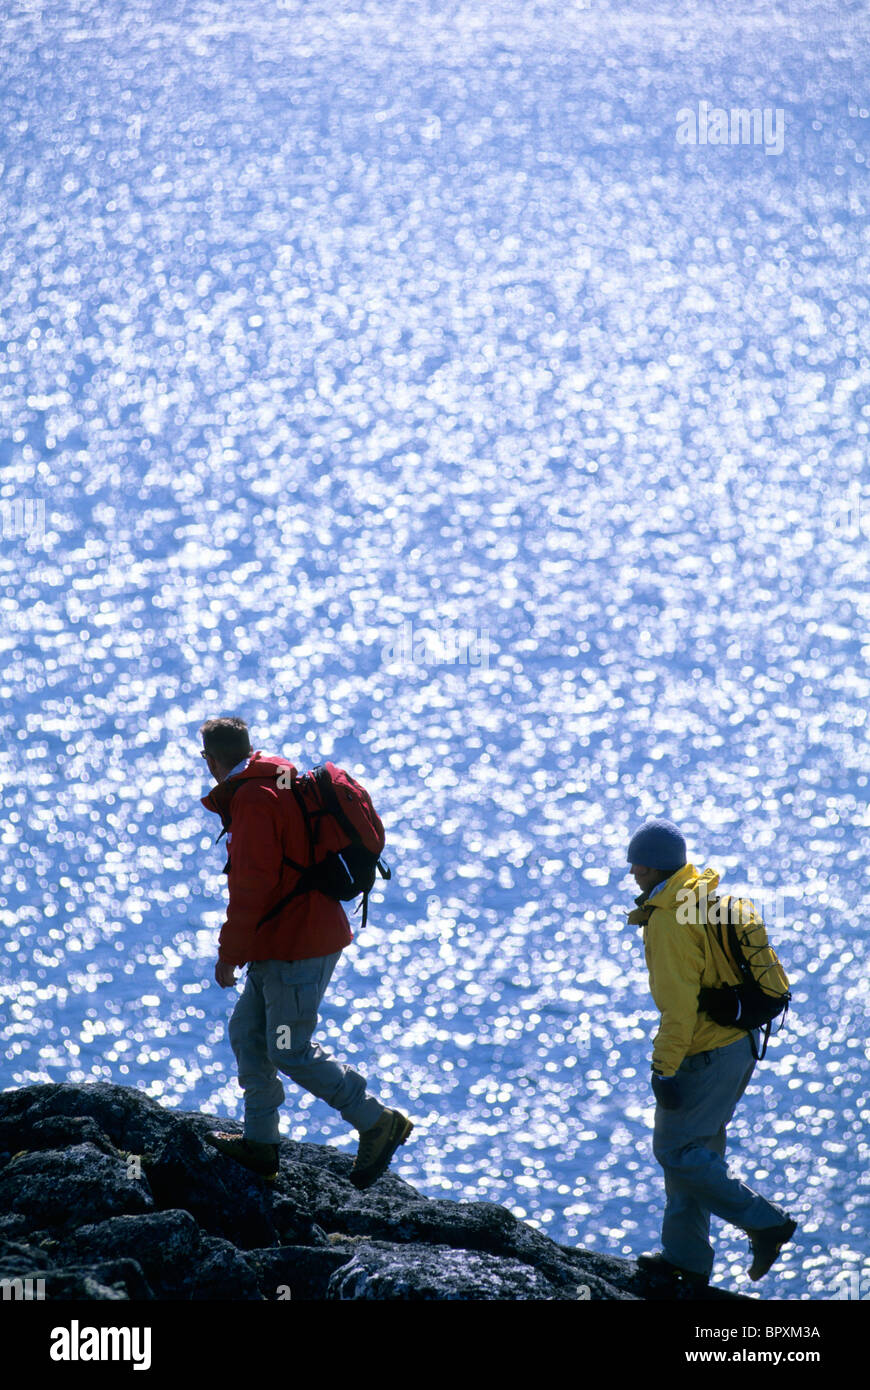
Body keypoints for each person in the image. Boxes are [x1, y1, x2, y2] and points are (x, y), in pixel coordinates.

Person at [198, 716, 412, 1189]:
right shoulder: (277, 776)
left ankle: (376, 1121)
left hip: (295, 942)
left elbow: (251, 888)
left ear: (210, 759)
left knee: (287, 1049)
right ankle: (260, 1142)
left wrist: (227, 954)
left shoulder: (254, 799)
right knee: (250, 1034)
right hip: (294, 936)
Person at [625, 816, 796, 1295]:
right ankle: (686, 1259)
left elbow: (678, 1007)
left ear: (655, 867)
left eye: (638, 863)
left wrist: (664, 1068)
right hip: (737, 1044)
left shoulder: (669, 920)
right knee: (695, 1153)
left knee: (675, 1152)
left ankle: (765, 1223)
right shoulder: (698, 899)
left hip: (704, 1050)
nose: (632, 871)